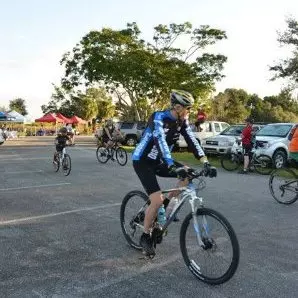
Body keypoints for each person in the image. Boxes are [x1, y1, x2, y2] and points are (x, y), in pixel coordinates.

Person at [132, 90, 213, 256]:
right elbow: (160, 140)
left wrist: (205, 161)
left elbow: (192, 140)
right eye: (187, 109)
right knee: (156, 200)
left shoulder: (182, 121)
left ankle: (166, 206)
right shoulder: (158, 118)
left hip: (160, 161)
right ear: (177, 107)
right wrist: (170, 164)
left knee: (187, 174)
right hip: (143, 161)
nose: (189, 112)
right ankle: (146, 236)